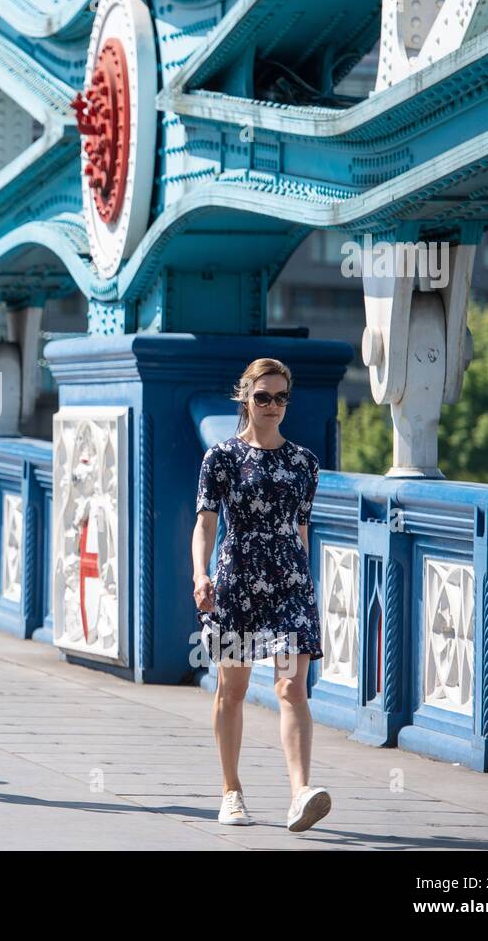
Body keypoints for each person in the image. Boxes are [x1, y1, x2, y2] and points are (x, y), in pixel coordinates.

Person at [191, 357, 331, 833]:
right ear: (245, 398)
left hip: (291, 586)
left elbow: (302, 529)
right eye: (263, 397)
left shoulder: (305, 463)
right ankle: (231, 791)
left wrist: (308, 584)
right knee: (233, 689)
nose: (273, 406)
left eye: (281, 397)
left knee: (292, 687)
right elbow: (205, 524)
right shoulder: (222, 457)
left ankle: (300, 794)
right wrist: (199, 574)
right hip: (236, 585)